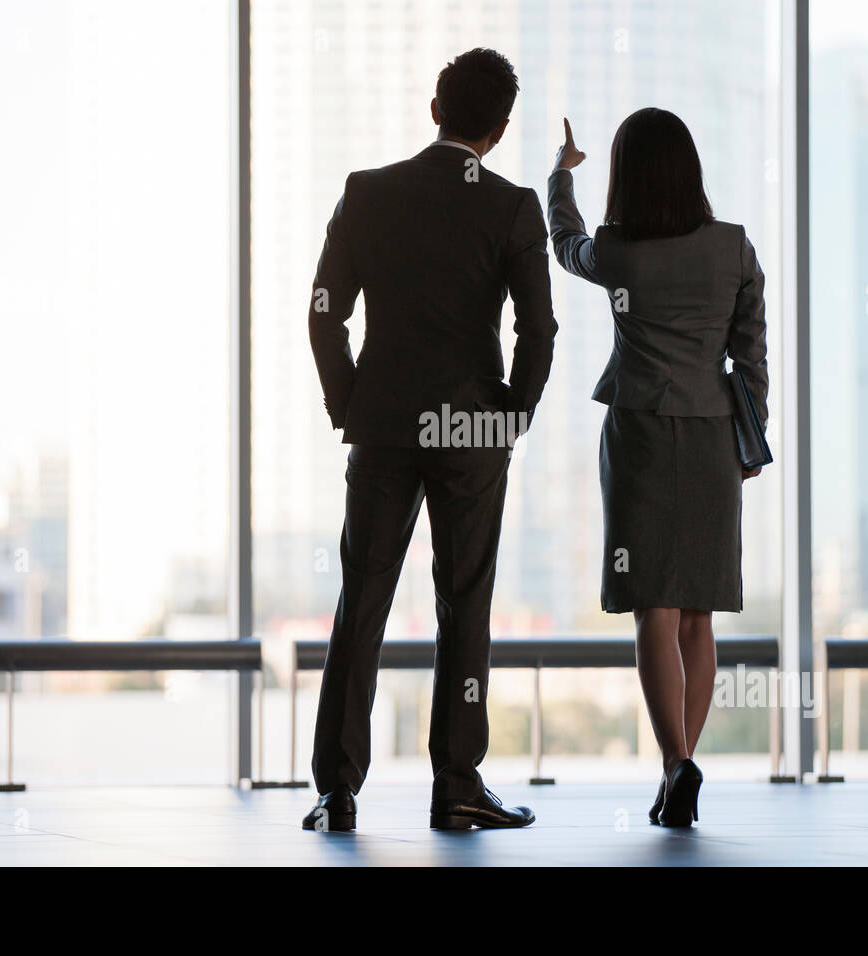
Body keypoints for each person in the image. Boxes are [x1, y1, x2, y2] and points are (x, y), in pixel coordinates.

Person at [303, 49, 557, 832]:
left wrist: (350, 401)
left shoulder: (367, 193)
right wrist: (510, 416)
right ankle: (456, 785)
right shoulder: (513, 207)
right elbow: (538, 328)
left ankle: (337, 790)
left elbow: (323, 312)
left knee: (364, 602)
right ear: (500, 129)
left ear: (435, 107)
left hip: (382, 425)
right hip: (473, 427)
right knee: (465, 604)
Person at [547, 109, 768, 827]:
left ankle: (675, 764)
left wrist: (559, 176)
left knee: (654, 606)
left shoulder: (619, 253)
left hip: (640, 432)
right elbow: (751, 352)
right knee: (699, 613)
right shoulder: (733, 249)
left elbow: (565, 244)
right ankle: (682, 765)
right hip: (711, 437)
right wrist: (750, 432)